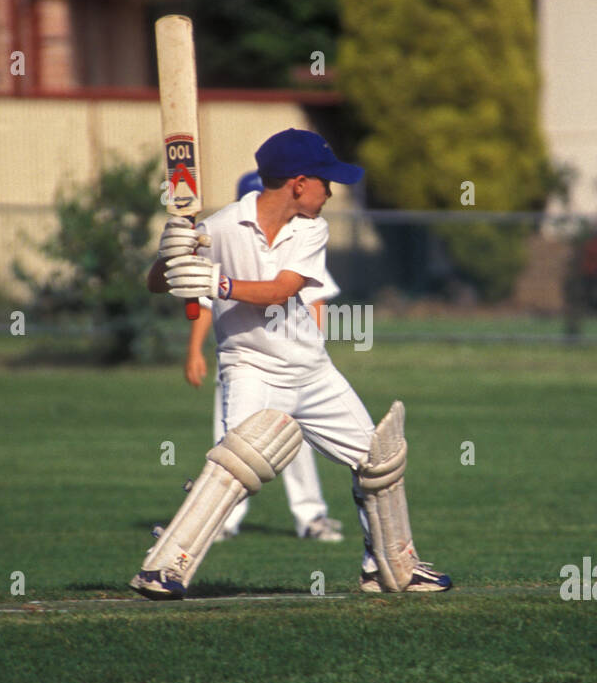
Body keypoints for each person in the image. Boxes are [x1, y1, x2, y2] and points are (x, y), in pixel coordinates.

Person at [130, 128, 451, 599]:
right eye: (326, 181)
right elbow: (159, 283)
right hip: (251, 369)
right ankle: (165, 567)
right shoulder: (220, 227)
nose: (332, 192)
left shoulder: (311, 228)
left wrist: (219, 284)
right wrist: (172, 250)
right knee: (235, 469)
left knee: (377, 460)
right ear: (299, 183)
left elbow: (280, 290)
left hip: (311, 369)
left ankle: (390, 568)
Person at [182, 170, 344, 543]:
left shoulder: (301, 237)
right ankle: (222, 517)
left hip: (291, 364)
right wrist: (194, 351)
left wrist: (312, 348)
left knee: (296, 441)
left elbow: (313, 299)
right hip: (243, 361)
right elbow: (203, 302)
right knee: (232, 442)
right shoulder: (224, 241)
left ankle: (311, 516)